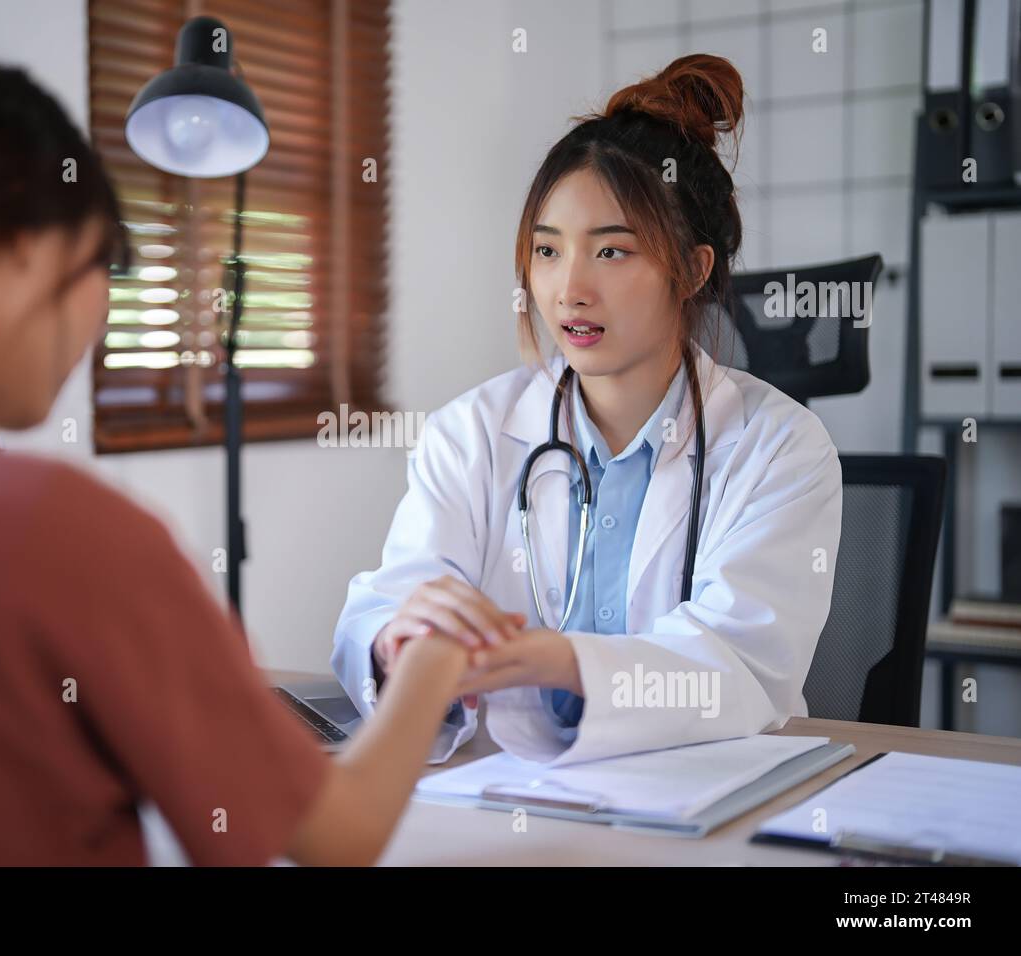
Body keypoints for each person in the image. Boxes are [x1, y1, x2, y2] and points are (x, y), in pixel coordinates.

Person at [0, 57, 474, 866]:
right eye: (102, 267)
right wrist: (434, 659)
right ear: (24, 247)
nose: (98, 323)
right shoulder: (51, 529)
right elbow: (337, 832)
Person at [332, 55, 844, 765]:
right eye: (547, 250)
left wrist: (563, 663)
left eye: (611, 251)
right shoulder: (470, 434)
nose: (569, 289)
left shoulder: (780, 447)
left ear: (693, 269)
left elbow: (744, 665)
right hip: (513, 795)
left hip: (707, 792)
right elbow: (385, 605)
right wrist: (398, 641)